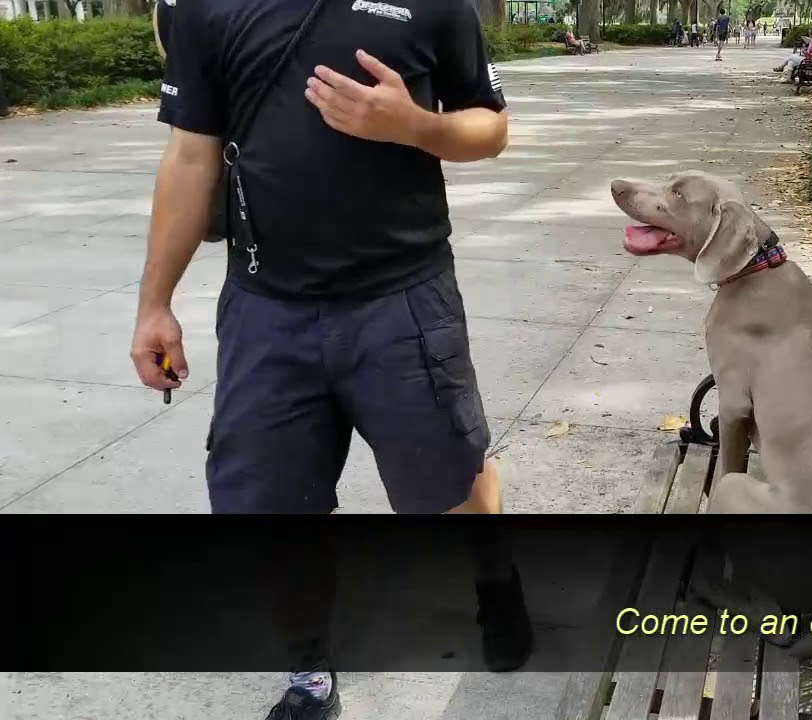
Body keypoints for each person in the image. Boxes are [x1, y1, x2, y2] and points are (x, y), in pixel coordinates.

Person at [136, 0, 532, 717]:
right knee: (268, 504)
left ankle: (495, 577)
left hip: (403, 297)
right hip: (266, 312)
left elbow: (491, 126)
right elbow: (192, 154)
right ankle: (310, 671)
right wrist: (154, 303)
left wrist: (417, 126)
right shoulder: (203, 8)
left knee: (452, 478)